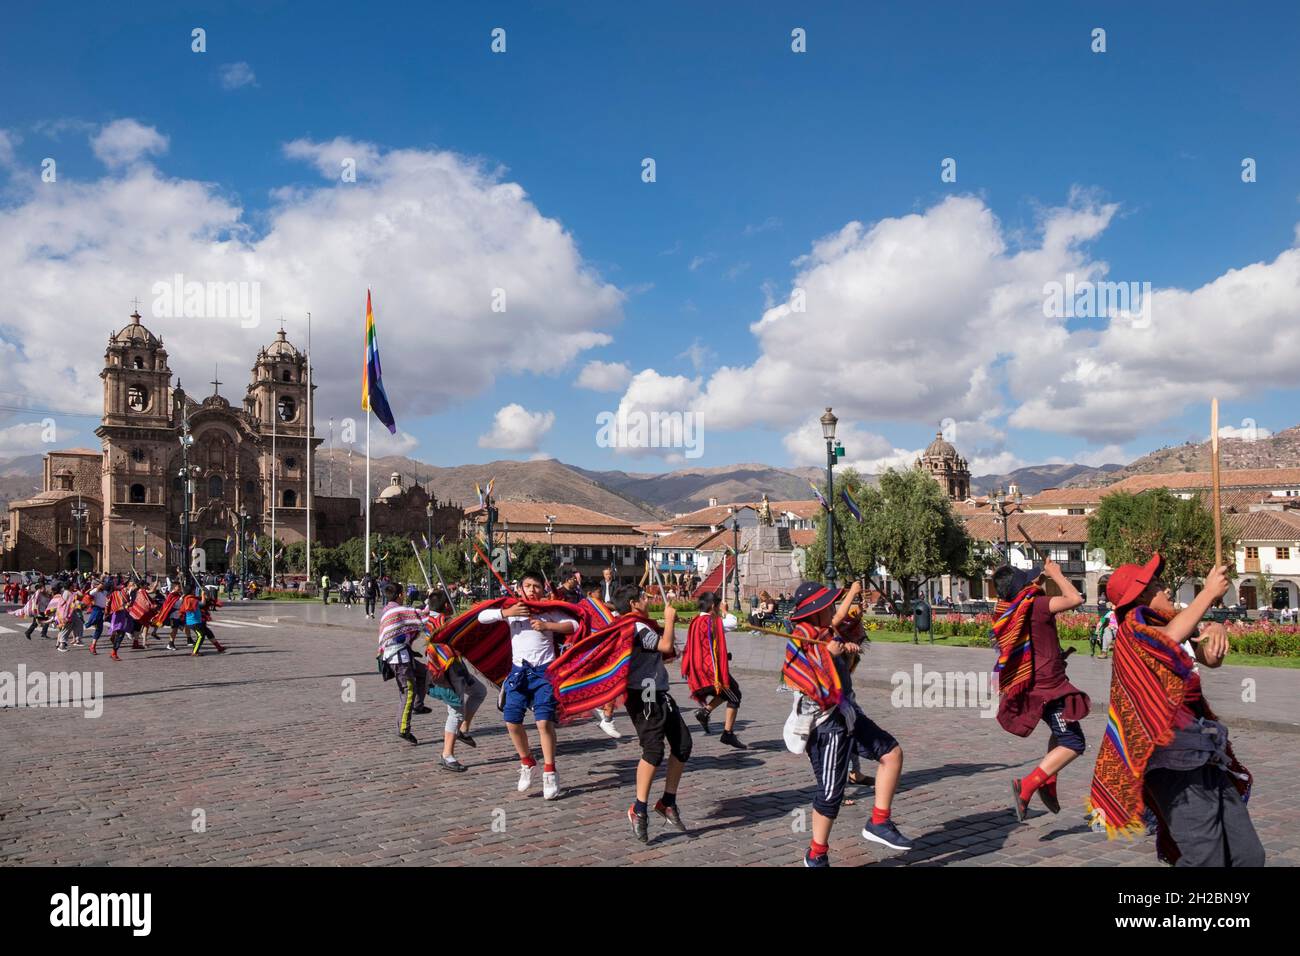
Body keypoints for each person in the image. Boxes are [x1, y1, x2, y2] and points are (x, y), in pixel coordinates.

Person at [1088, 556, 1263, 867]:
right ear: (1141, 597)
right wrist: (1208, 592)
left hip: (1205, 752)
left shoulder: (1166, 624)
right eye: (1157, 586)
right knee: (1204, 859)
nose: (1166, 589)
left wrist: (1216, 629)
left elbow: (1210, 659)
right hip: (1171, 765)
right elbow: (1170, 639)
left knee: (1247, 855)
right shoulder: (1133, 631)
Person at [783, 580, 912, 866]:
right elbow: (807, 678)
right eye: (827, 604)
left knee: (891, 753)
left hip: (848, 714)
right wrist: (830, 654)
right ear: (816, 610)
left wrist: (851, 597)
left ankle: (879, 822)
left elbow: (839, 621)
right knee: (830, 796)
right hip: (825, 724)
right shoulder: (802, 638)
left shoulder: (825, 631)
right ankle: (816, 855)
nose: (833, 609)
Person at [991, 559, 1089, 822]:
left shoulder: (1014, 606)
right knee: (1073, 742)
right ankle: (1029, 784)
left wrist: (1043, 575)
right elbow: (1075, 599)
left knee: (1060, 734)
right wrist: (1056, 573)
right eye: (1032, 581)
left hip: (1042, 683)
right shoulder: (1037, 605)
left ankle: (1050, 778)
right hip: (1049, 689)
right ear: (1024, 588)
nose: (1036, 583)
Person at [477, 573, 578, 799]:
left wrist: (547, 625)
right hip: (518, 673)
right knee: (512, 721)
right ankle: (527, 761)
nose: (532, 590)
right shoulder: (513, 609)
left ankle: (550, 772)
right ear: (519, 588)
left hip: (544, 673)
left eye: (536, 586)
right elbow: (482, 617)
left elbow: (574, 624)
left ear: (543, 590)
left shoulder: (550, 610)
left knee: (544, 722)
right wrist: (506, 613)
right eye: (527, 586)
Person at [615, 585, 690, 842]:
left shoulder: (643, 625)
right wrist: (668, 620)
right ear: (634, 604)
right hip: (643, 693)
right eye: (645, 598)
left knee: (683, 745)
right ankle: (639, 808)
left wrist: (666, 624)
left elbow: (665, 651)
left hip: (658, 690)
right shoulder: (635, 627)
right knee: (653, 751)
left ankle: (667, 801)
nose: (649, 600)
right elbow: (665, 644)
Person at [423, 592, 486, 772]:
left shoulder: (433, 620)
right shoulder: (441, 623)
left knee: (479, 691)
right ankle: (447, 755)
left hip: (457, 670)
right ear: (445, 606)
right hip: (446, 673)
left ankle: (463, 730)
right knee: (456, 711)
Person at [682, 591, 745, 748]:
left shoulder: (696, 620)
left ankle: (705, 712)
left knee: (729, 692)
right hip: (711, 672)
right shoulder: (711, 622)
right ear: (712, 606)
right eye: (717, 606)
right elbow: (732, 622)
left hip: (700, 669)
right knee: (734, 695)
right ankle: (727, 734)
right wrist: (725, 612)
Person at [377, 582, 431, 744]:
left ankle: (418, 705)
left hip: (403, 655)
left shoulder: (389, 608)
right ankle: (403, 729)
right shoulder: (396, 610)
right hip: (398, 658)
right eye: (404, 593)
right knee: (408, 691)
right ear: (400, 594)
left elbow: (410, 616)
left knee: (425, 673)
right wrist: (430, 602)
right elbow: (420, 615)